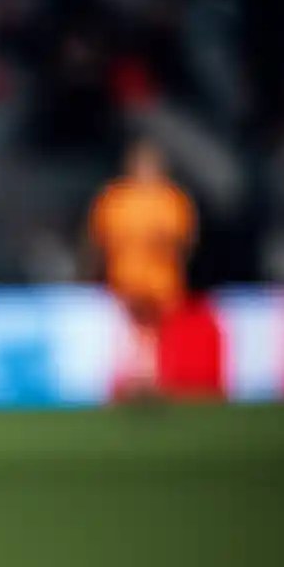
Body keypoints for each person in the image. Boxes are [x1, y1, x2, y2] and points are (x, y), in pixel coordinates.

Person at [89, 138, 197, 398]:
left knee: (153, 330)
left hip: (161, 278)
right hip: (126, 276)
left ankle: (147, 378)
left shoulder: (171, 199)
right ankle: (142, 379)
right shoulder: (117, 198)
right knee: (136, 329)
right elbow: (101, 238)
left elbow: (183, 240)